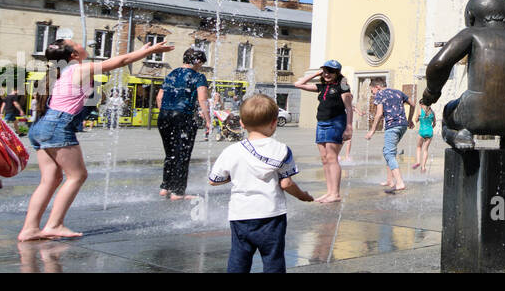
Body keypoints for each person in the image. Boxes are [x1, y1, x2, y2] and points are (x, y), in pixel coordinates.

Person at [19, 37, 173, 241]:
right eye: (76, 43)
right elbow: (121, 61)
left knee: (50, 180)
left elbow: (120, 59)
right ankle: (54, 225)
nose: (82, 44)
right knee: (77, 176)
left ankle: (30, 228)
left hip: (42, 126)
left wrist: (140, 50)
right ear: (73, 54)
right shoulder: (76, 69)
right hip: (58, 125)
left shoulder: (64, 71)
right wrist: (149, 51)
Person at [207, 94, 312, 273]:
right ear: (273, 123)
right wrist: (303, 196)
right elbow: (286, 184)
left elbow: (213, 180)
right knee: (273, 258)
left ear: (241, 123)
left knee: (238, 259)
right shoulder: (282, 150)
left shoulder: (231, 151)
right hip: (272, 214)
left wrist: (235, 175)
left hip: (241, 215)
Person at [294, 61, 353, 204]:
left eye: (331, 71)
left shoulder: (343, 85)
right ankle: (329, 192)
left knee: (332, 158)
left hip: (336, 123)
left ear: (337, 73)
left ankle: (335, 193)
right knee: (324, 158)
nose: (327, 74)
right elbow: (298, 84)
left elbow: (349, 108)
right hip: (321, 123)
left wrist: (349, 127)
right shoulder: (322, 86)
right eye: (325, 71)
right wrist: (315, 73)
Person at [157, 47, 212, 199]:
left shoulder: (171, 74)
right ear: (197, 61)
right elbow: (202, 99)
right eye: (201, 63)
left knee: (170, 154)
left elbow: (159, 97)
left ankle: (165, 187)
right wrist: (208, 121)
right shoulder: (198, 77)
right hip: (183, 117)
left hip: (164, 117)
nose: (201, 66)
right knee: (182, 154)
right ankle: (178, 192)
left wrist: (166, 112)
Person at [365, 77, 415, 193]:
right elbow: (412, 104)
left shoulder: (380, 94)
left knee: (388, 153)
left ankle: (399, 182)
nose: (373, 94)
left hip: (392, 126)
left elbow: (378, 114)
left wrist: (372, 131)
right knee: (388, 151)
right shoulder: (398, 92)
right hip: (402, 125)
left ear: (377, 87)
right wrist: (410, 120)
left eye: (372, 91)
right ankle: (389, 180)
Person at [413, 102, 436, 172]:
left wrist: (418, 119)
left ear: (421, 104)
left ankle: (418, 162)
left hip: (422, 131)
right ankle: (423, 167)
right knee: (425, 149)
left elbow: (416, 120)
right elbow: (434, 123)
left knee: (419, 147)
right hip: (429, 132)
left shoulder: (420, 111)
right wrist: (430, 127)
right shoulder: (432, 112)